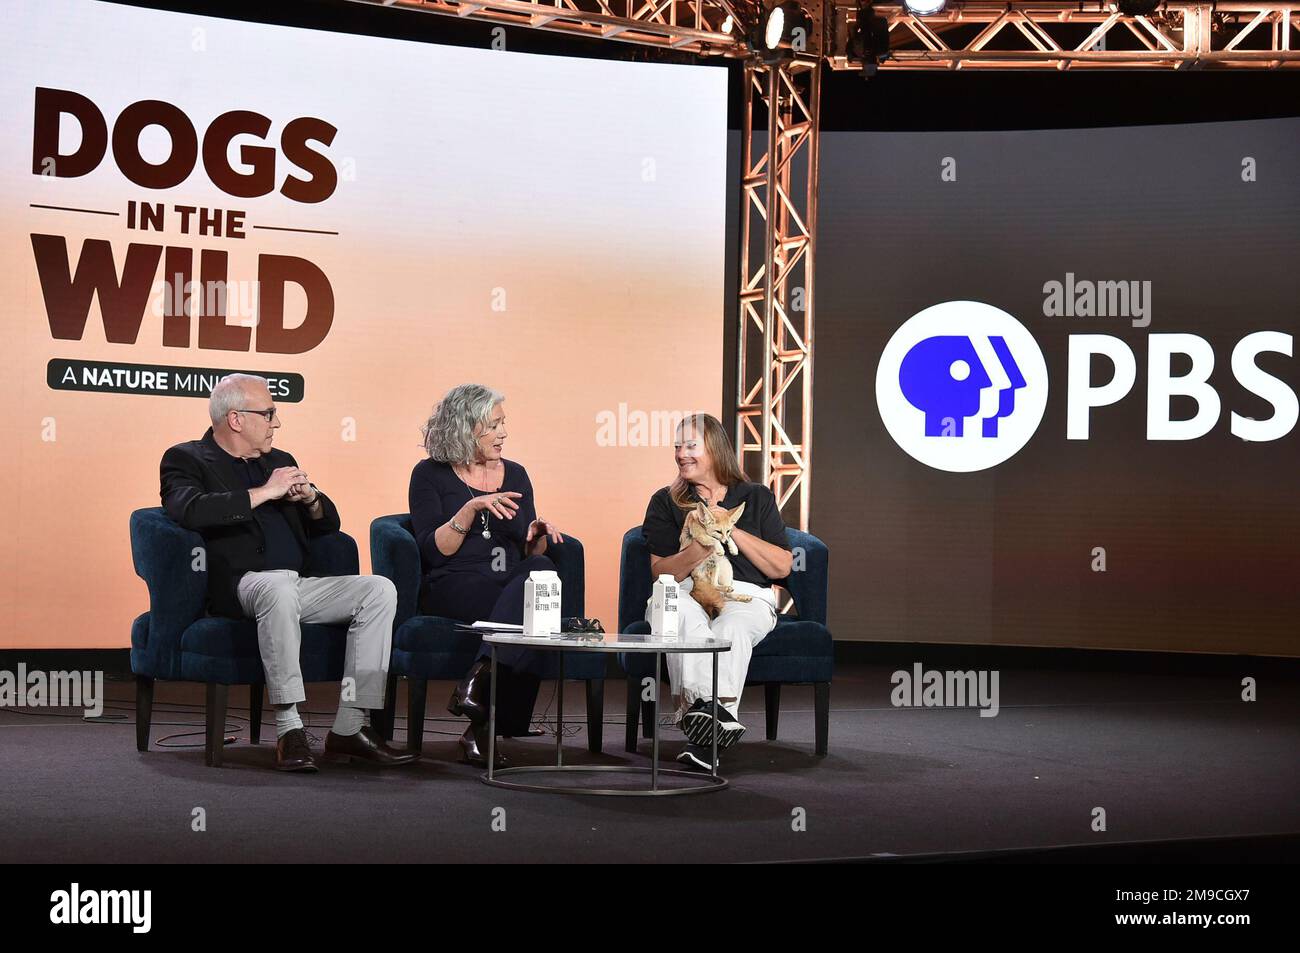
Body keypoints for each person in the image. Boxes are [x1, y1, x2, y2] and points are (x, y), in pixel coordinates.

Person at [160, 374, 416, 773]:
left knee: (379, 589)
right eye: (269, 413)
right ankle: (289, 728)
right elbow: (189, 510)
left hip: (299, 583)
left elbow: (328, 525)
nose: (276, 423)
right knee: (277, 586)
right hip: (244, 584)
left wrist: (310, 499)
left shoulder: (280, 461)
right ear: (236, 419)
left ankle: (350, 726)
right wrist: (265, 492)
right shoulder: (186, 458)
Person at [409, 384, 564, 768]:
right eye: (494, 425)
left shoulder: (517, 474)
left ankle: (478, 681)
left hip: (506, 581)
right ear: (466, 427)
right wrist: (470, 509)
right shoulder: (430, 474)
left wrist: (537, 537)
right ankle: (482, 729)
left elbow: (530, 552)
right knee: (529, 612)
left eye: (503, 423)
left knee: (542, 574)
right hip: (454, 583)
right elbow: (433, 550)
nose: (503, 433)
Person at [640, 413, 793, 771]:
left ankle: (703, 730)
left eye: (690, 445)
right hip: (685, 590)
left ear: (715, 448)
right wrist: (703, 543)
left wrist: (727, 526)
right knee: (680, 620)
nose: (681, 454)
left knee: (731, 630)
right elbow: (660, 572)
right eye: (677, 446)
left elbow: (781, 567)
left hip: (742, 594)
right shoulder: (666, 501)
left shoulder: (755, 497)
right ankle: (713, 725)